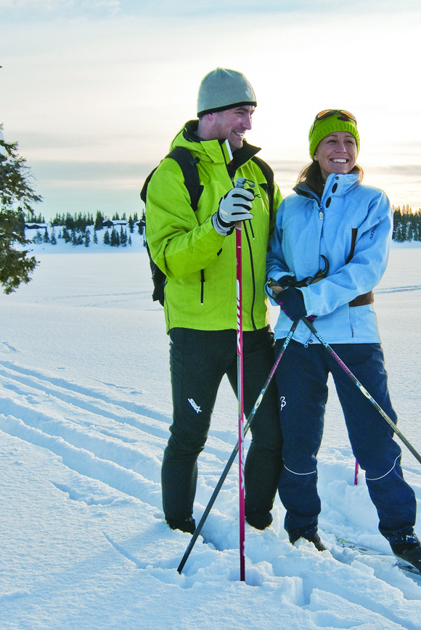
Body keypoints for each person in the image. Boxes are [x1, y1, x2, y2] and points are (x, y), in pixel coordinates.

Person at [266, 109, 421, 575]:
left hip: (353, 336)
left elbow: (367, 269)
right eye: (331, 142)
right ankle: (302, 527)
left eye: (349, 143)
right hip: (295, 339)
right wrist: (280, 285)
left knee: (375, 440)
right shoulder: (289, 207)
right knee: (298, 441)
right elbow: (270, 261)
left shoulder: (372, 201)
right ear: (315, 150)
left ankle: (401, 536)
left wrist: (310, 296)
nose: (341, 151)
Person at [144, 68, 283, 534]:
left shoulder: (259, 172)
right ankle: (177, 525)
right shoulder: (174, 172)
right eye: (242, 113)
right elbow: (169, 258)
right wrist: (218, 225)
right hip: (197, 332)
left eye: (252, 113)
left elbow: (278, 244)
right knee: (189, 435)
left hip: (253, 328)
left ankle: (257, 522)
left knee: (271, 433)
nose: (248, 124)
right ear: (212, 112)